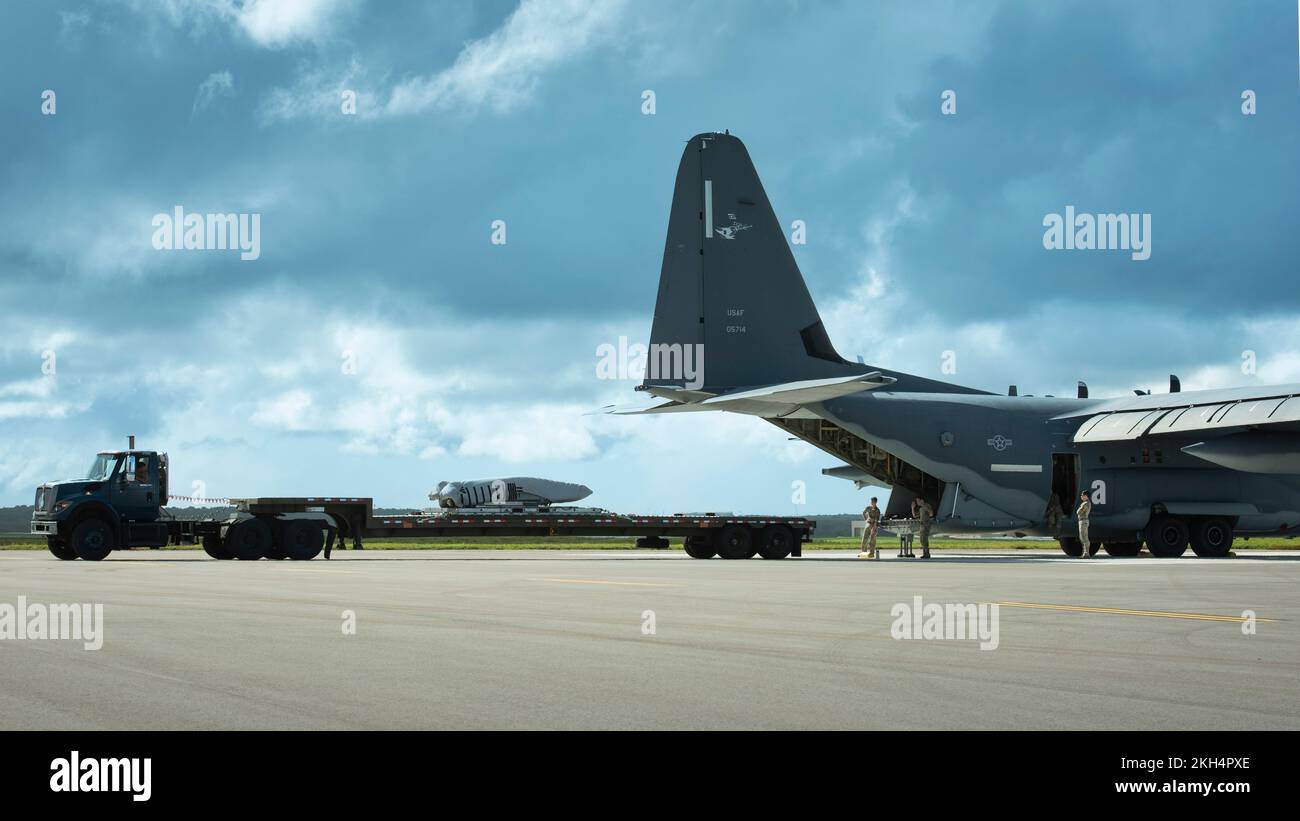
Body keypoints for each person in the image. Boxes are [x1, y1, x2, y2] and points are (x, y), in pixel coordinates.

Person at [1076, 491, 1092, 557]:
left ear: (1086, 496)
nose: (1081, 496)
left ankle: (1086, 553)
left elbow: (1078, 512)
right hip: (1083, 521)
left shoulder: (1085, 504)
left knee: (1084, 538)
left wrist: (1080, 507)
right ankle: (1085, 553)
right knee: (1082, 537)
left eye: (1083, 495)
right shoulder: (1087, 503)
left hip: (1083, 521)